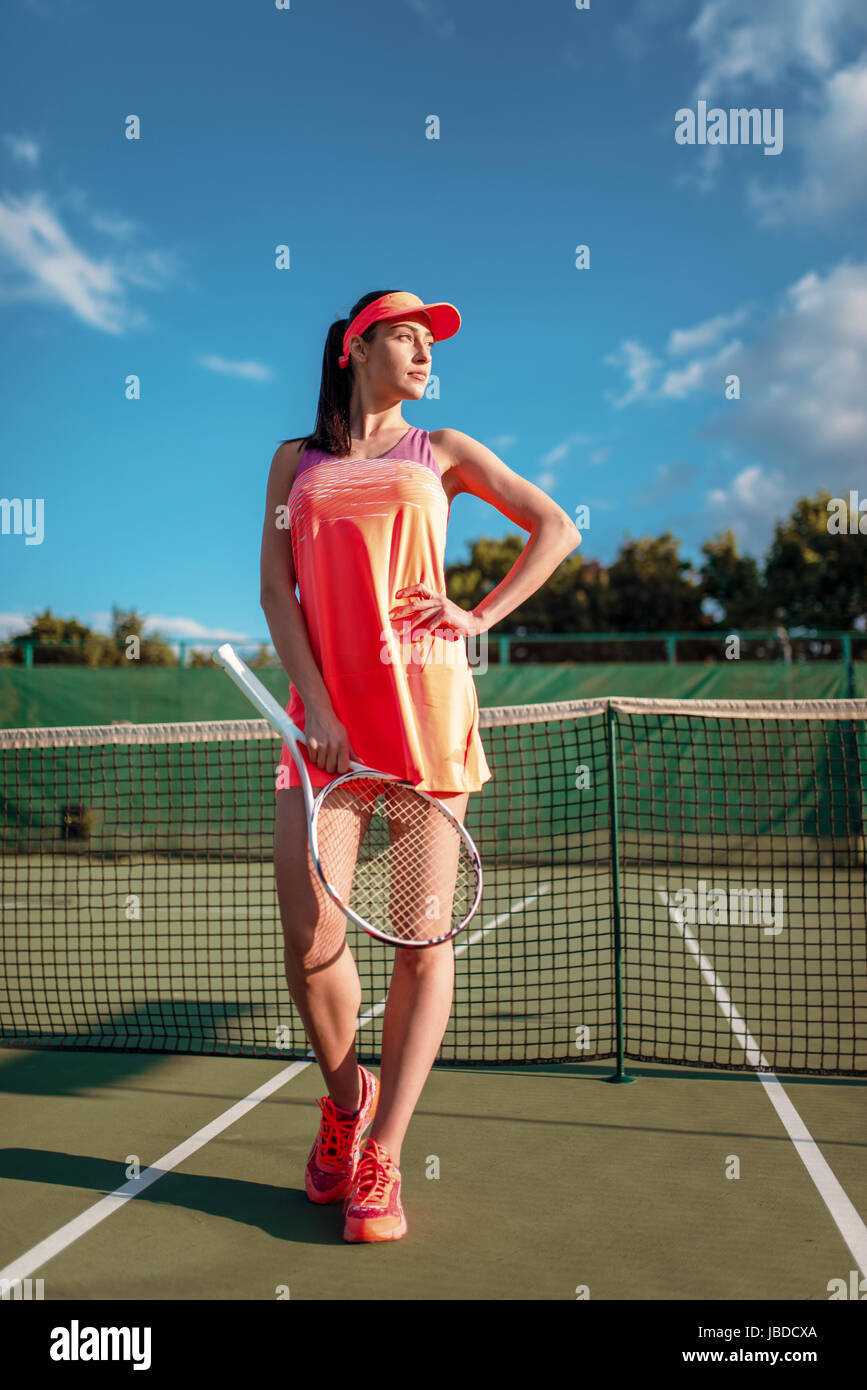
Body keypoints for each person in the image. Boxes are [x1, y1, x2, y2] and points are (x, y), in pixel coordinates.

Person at [259, 289, 581, 1241]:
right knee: (311, 944)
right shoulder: (295, 463)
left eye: (428, 342)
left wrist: (478, 614)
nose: (422, 352)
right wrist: (312, 700)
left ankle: (383, 1156)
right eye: (405, 336)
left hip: (428, 716)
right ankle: (343, 1103)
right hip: (323, 728)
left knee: (419, 944)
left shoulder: (442, 451)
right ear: (358, 347)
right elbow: (276, 589)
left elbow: (555, 527)